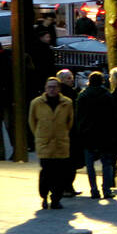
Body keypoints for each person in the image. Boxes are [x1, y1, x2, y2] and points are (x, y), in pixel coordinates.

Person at [29, 78, 74, 209]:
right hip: (45, 143)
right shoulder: (36, 103)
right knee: (46, 173)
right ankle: (44, 196)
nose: (52, 89)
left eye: (54, 87)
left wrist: (62, 133)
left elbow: (69, 122)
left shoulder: (67, 103)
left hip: (61, 143)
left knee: (60, 174)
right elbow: (32, 122)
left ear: (59, 88)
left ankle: (56, 199)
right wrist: (40, 135)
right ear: (45, 88)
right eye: (49, 87)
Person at [76, 71, 117, 199]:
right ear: (102, 81)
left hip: (88, 135)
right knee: (107, 163)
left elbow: (79, 117)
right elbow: (112, 117)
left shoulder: (82, 96)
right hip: (104, 134)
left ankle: (93, 189)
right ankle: (106, 189)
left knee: (90, 165)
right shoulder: (107, 96)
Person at [56, 70, 83, 196]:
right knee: (70, 163)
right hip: (69, 133)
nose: (71, 80)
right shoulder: (69, 94)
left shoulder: (66, 93)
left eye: (71, 78)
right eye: (68, 78)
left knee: (68, 163)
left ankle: (67, 187)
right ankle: (67, 187)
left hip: (66, 133)